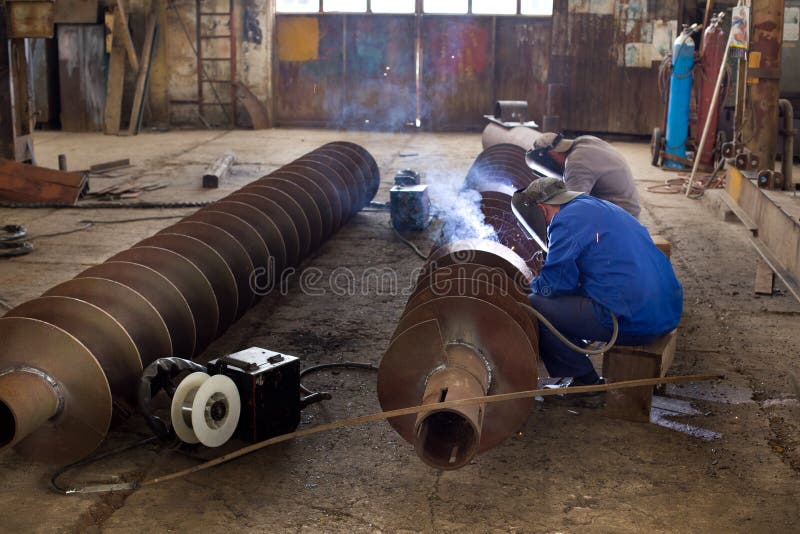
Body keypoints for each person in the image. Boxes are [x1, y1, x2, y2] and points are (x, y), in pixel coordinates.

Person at [513, 178, 683, 386]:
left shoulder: (564, 221)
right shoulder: (597, 206)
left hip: (637, 320)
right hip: (667, 311)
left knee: (535, 305)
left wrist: (528, 288)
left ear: (541, 209)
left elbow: (555, 285)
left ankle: (585, 382)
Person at [526, 132, 641, 219]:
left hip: (621, 218)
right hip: (627, 208)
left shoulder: (577, 164)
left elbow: (574, 209)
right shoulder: (585, 141)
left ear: (552, 154)